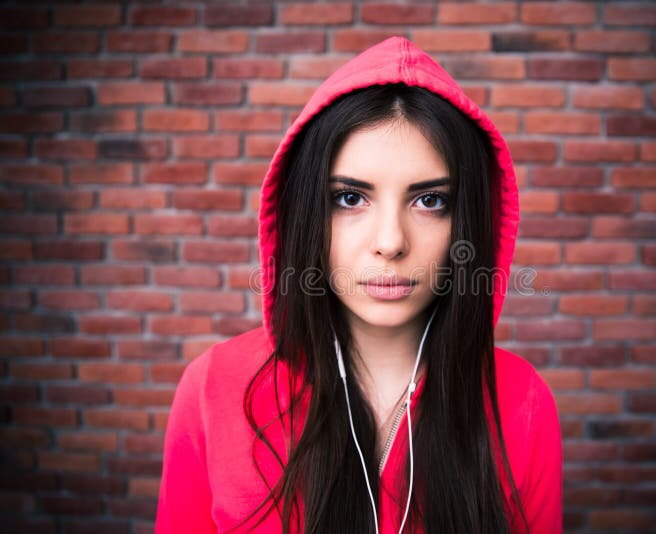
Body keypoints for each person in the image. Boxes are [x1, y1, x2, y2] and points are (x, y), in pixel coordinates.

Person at [155, 36, 562, 534]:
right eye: (350, 198)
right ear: (307, 211)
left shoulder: (521, 402)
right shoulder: (214, 390)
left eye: (430, 201)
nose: (390, 243)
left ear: (468, 222)